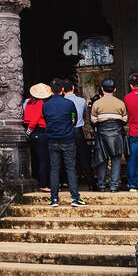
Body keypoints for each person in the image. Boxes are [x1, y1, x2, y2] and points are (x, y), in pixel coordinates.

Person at [42, 78, 86, 207]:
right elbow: (74, 118)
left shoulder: (46, 105)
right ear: (62, 90)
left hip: (52, 140)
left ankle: (54, 199)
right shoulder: (69, 104)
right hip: (67, 139)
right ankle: (75, 198)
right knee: (70, 169)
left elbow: (46, 119)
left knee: (54, 169)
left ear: (50, 90)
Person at [90, 79, 129, 192]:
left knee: (102, 160)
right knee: (116, 160)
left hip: (102, 135)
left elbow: (93, 120)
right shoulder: (120, 103)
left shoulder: (96, 104)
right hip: (117, 135)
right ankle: (114, 186)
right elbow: (125, 119)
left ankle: (101, 185)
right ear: (115, 90)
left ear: (102, 89)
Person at [63, 79, 92, 189]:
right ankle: (90, 182)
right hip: (78, 131)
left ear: (62, 90)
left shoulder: (62, 101)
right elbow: (85, 115)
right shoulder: (82, 101)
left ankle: (68, 182)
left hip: (66, 131)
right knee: (84, 157)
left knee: (67, 157)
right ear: (73, 88)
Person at [24, 83, 51, 192]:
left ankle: (37, 181)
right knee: (44, 160)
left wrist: (28, 131)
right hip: (39, 131)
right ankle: (43, 184)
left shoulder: (29, 102)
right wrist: (29, 131)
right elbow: (35, 119)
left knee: (36, 159)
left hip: (32, 131)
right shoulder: (40, 103)